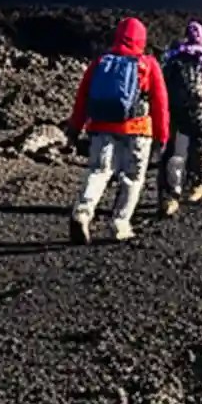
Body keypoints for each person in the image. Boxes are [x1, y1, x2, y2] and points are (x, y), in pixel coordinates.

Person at [64, 17, 169, 244]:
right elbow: (160, 104)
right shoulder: (148, 64)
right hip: (138, 129)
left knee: (99, 171)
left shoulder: (101, 62)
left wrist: (74, 128)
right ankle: (120, 223)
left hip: (101, 127)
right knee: (132, 177)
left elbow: (82, 98)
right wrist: (162, 136)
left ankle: (82, 212)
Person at [157, 20, 202, 216]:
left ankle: (171, 195)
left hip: (175, 111)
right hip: (198, 111)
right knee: (199, 148)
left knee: (176, 151)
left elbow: (162, 84)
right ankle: (195, 185)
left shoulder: (172, 58)